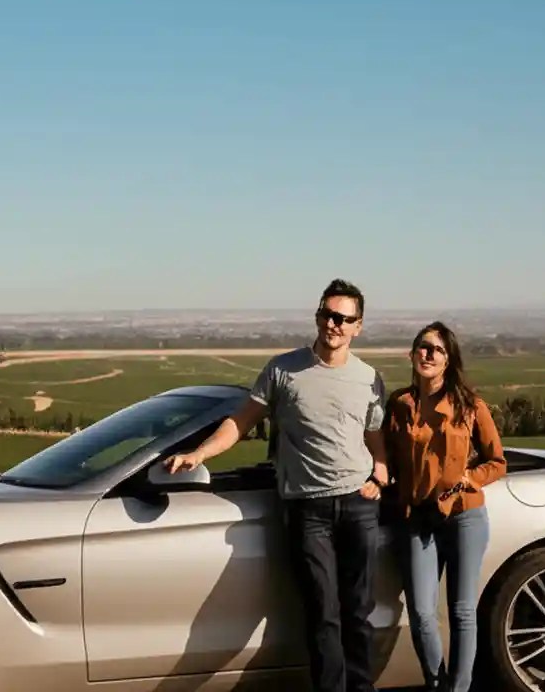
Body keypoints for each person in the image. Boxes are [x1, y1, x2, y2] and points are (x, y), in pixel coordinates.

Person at [165, 278, 390, 692]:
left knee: (358, 610)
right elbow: (241, 421)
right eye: (327, 314)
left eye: (344, 319)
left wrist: (380, 472)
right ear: (317, 316)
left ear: (358, 327)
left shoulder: (369, 378)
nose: (333, 325)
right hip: (308, 509)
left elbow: (374, 435)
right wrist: (199, 453)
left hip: (358, 505)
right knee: (323, 612)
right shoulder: (283, 369)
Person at [382, 321, 507, 692]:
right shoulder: (400, 405)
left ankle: (459, 688)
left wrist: (470, 478)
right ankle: (436, 684)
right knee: (421, 613)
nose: (427, 354)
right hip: (417, 517)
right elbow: (386, 457)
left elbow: (497, 461)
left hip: (464, 515)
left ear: (448, 360)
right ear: (411, 353)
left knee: (462, 611)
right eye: (422, 347)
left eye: (436, 349)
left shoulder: (470, 406)